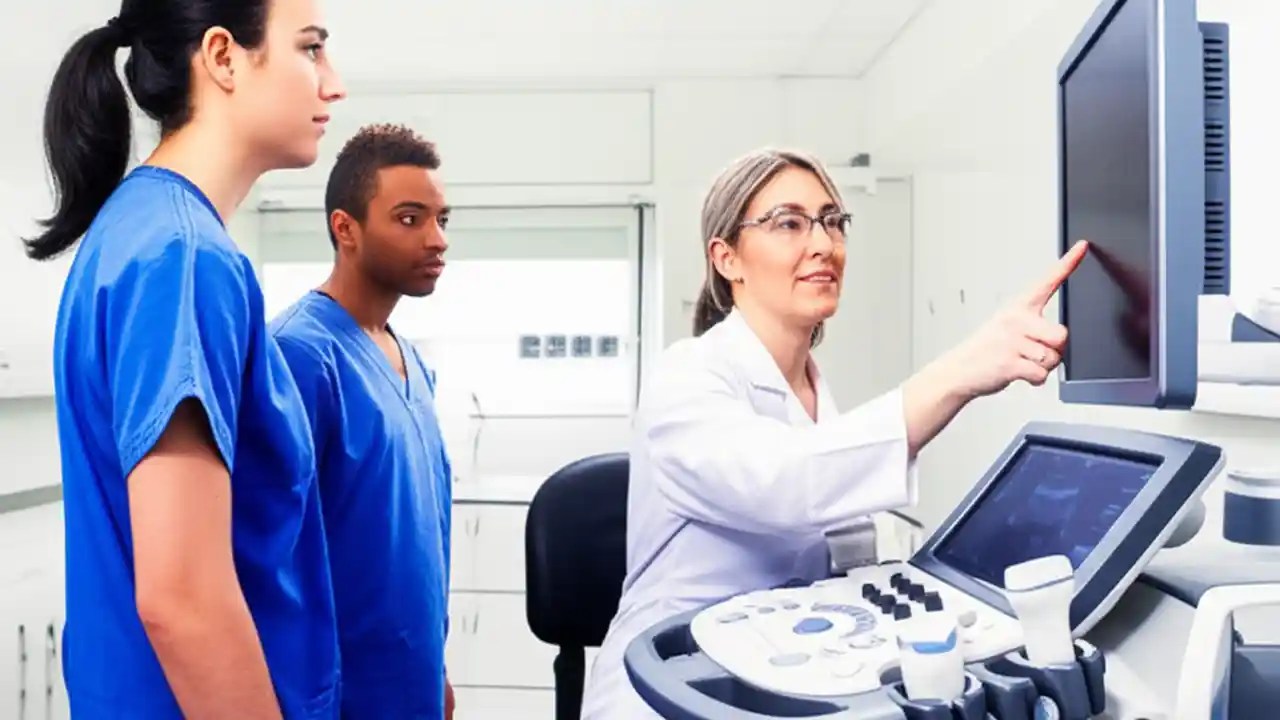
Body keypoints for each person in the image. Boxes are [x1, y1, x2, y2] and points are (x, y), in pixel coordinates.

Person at [579, 147, 1089, 718]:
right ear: (727, 258)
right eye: (789, 223)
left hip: (784, 666)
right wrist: (962, 372)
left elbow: (837, 540)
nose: (823, 244)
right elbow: (787, 483)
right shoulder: (687, 378)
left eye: (832, 221)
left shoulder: (817, 394)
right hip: (673, 687)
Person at [24, 2, 346, 718]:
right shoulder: (181, 256)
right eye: (312, 50)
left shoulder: (142, 230)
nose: (333, 83)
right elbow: (182, 598)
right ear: (224, 57)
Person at [268, 123, 455, 719]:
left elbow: (417, 543)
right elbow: (270, 562)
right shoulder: (300, 356)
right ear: (344, 228)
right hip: (338, 698)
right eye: (409, 219)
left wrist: (437, 670)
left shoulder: (413, 363)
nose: (436, 239)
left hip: (414, 684)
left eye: (441, 219)